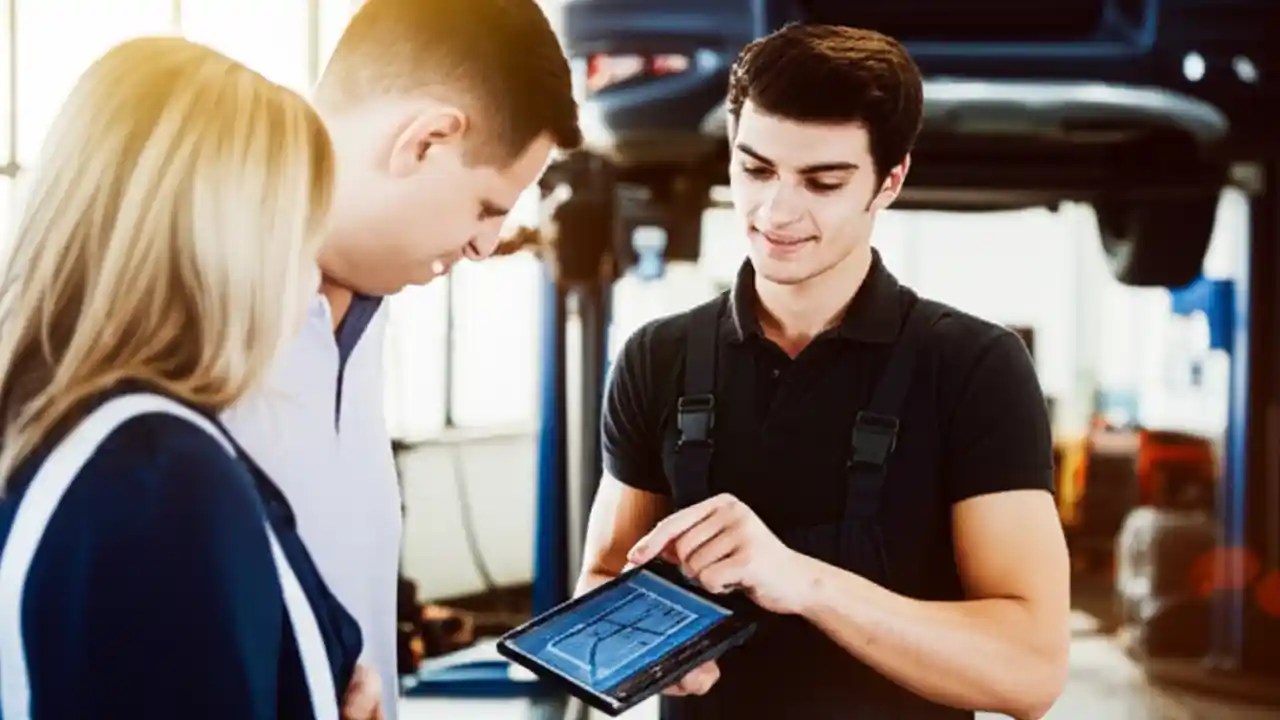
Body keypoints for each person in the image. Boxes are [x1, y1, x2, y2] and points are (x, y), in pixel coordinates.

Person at [576, 23, 1071, 720]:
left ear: (889, 179)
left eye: (823, 180)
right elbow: (603, 577)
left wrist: (803, 582)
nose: (777, 212)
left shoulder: (973, 369)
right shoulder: (659, 358)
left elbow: (1029, 670)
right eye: (755, 170)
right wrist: (652, 655)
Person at [219, 1, 581, 716]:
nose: (485, 245)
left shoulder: (367, 303)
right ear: (425, 141)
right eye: (485, 206)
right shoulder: (193, 325)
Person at [0, 37, 375, 719]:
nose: (310, 286)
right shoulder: (160, 482)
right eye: (300, 242)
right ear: (232, 251)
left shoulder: (53, 433)